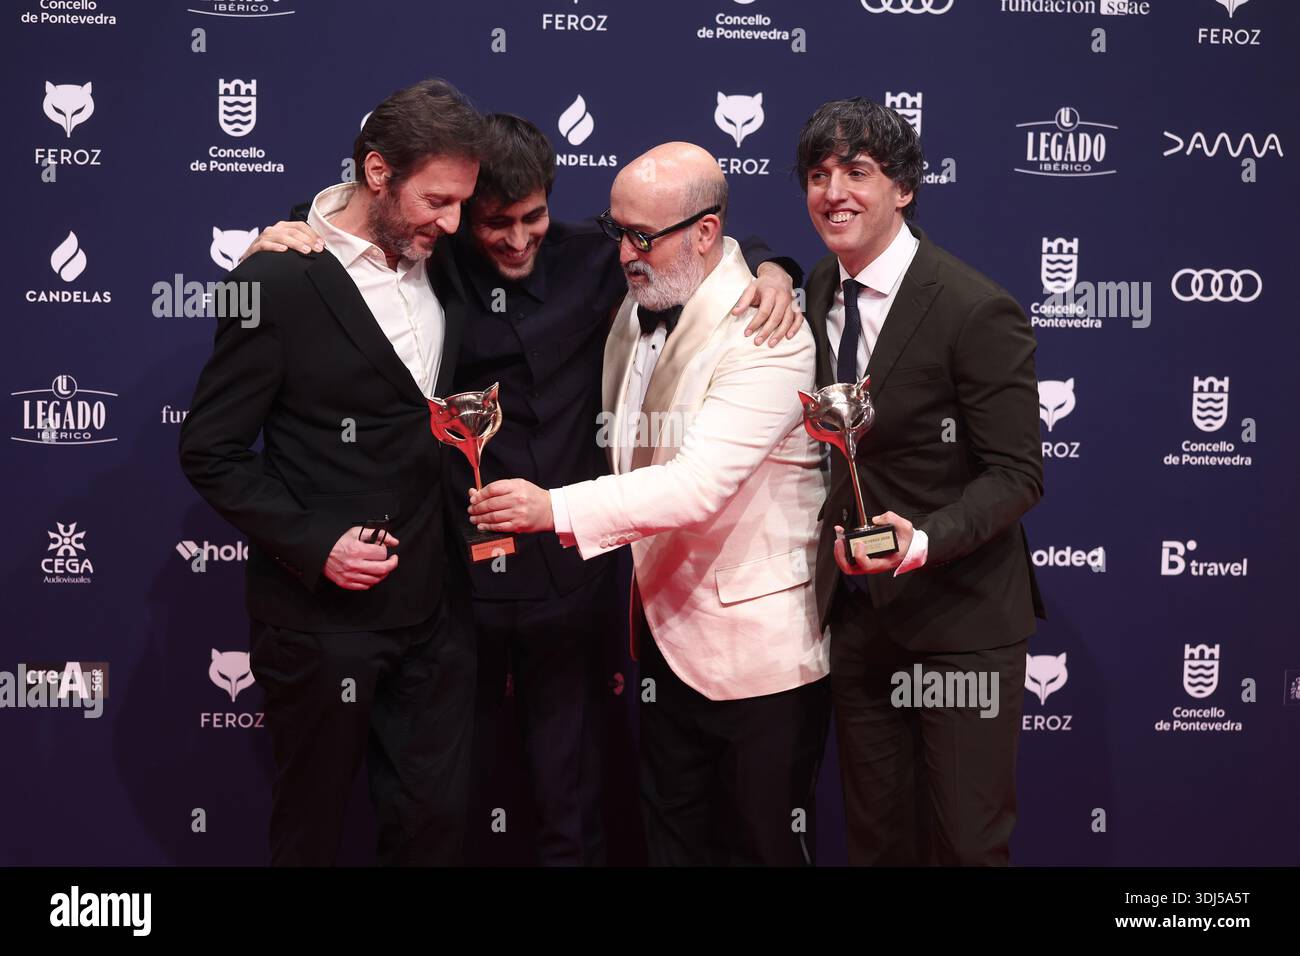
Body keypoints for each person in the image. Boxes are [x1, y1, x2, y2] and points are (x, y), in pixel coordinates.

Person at [243, 116, 803, 865]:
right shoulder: (434, 262)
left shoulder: (602, 257)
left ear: (554, 204)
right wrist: (283, 230)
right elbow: (349, 238)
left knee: (568, 801)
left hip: (571, 580)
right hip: (452, 588)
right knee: (437, 803)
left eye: (531, 217)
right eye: (494, 224)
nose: (514, 239)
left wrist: (774, 269)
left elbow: (701, 246)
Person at [469, 142, 830, 866]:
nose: (625, 253)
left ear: (704, 232)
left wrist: (552, 509)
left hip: (757, 660)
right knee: (673, 847)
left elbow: (697, 486)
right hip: (662, 639)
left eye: (643, 237)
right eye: (617, 231)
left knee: (760, 850)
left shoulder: (767, 333)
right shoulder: (641, 306)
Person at [178, 78, 486, 866]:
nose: (455, 224)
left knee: (432, 831)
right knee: (311, 832)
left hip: (438, 608)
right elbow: (209, 451)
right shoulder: (273, 280)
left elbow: (617, 241)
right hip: (323, 621)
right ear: (378, 173)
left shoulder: (441, 260)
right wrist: (317, 543)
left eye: (461, 203)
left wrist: (758, 262)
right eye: (438, 201)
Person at [796, 97, 1045, 865]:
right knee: (877, 845)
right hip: (864, 624)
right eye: (818, 174)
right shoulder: (813, 291)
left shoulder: (974, 307)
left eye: (857, 172)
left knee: (966, 848)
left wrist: (923, 541)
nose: (834, 191)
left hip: (961, 627)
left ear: (903, 189)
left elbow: (1016, 474)